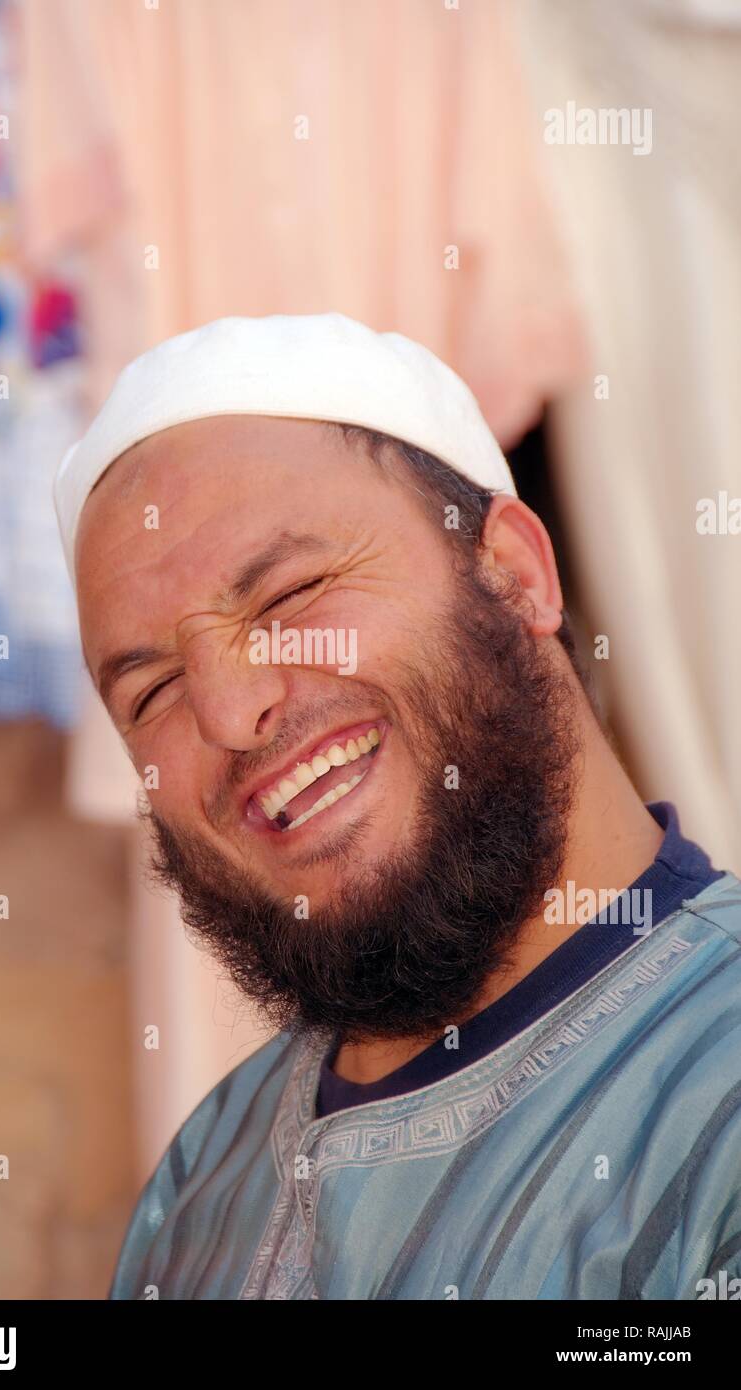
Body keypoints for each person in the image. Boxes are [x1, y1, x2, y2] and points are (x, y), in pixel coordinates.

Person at [54, 313, 741, 1300]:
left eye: (291, 592)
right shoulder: (205, 1175)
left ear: (513, 572)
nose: (233, 713)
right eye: (153, 691)